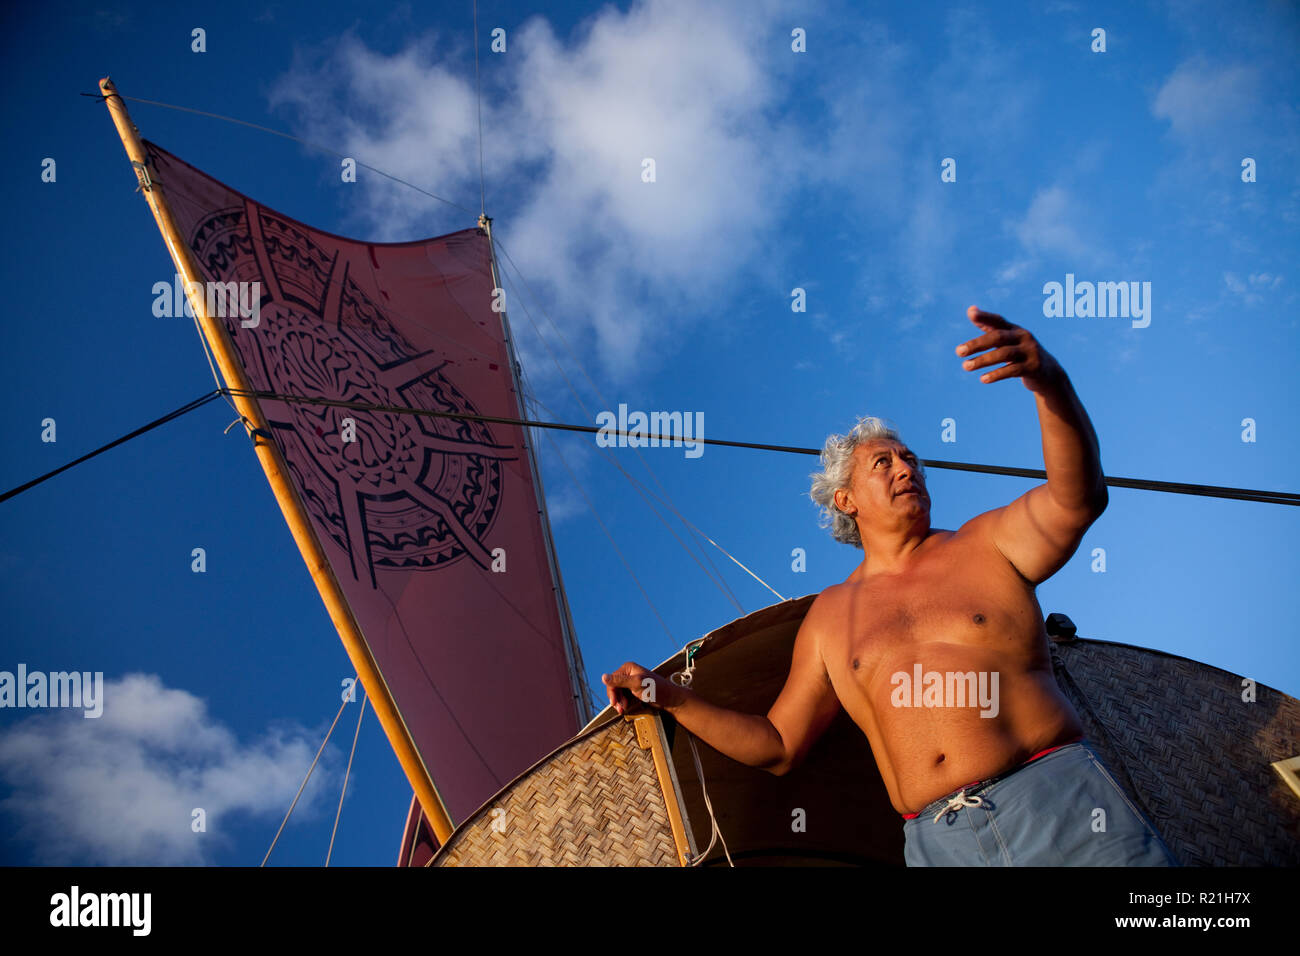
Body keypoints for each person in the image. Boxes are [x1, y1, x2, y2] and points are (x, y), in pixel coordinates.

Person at [603, 306, 1178, 866]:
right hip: (937, 842)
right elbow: (778, 744)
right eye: (884, 463)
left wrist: (1049, 383)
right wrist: (668, 696)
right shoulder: (830, 617)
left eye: (910, 459)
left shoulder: (987, 544)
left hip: (1059, 805)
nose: (907, 468)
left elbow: (1077, 500)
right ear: (846, 501)